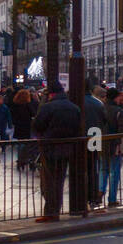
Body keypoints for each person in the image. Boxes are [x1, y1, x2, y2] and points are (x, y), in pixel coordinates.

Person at [32, 82, 82, 220]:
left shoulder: (48, 107)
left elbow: (37, 125)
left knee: (49, 181)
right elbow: (78, 127)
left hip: (50, 147)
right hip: (67, 148)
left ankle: (51, 212)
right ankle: (55, 210)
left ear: (51, 94)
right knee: (59, 181)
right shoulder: (74, 108)